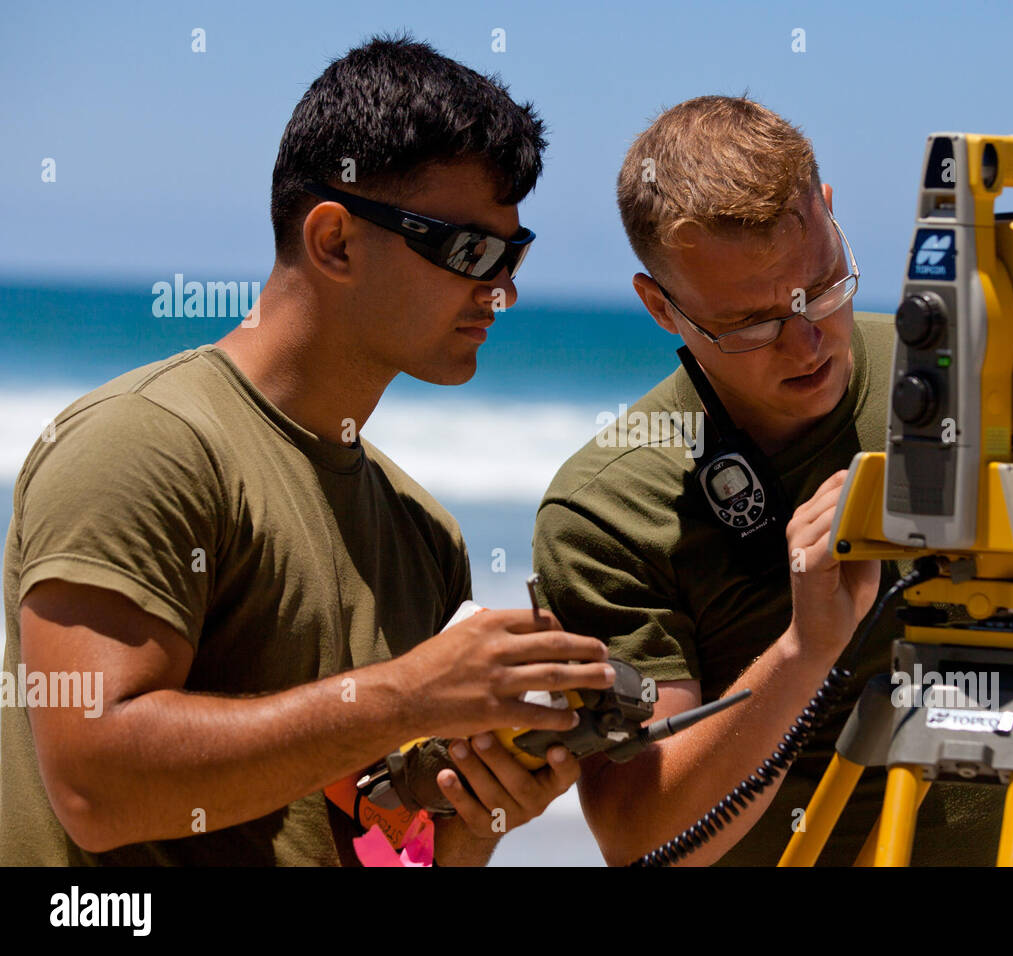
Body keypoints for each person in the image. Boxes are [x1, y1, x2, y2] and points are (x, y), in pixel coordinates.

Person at [532, 95, 1013, 866]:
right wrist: (804, 652)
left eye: (824, 285)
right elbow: (642, 836)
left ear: (828, 211)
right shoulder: (610, 508)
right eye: (753, 322)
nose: (807, 343)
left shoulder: (967, 381)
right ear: (660, 307)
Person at [0, 35, 615, 867]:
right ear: (335, 241)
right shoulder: (142, 444)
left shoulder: (424, 534)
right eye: (470, 251)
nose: (499, 289)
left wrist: (479, 818)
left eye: (514, 255)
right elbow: (95, 789)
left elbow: (388, 847)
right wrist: (406, 697)